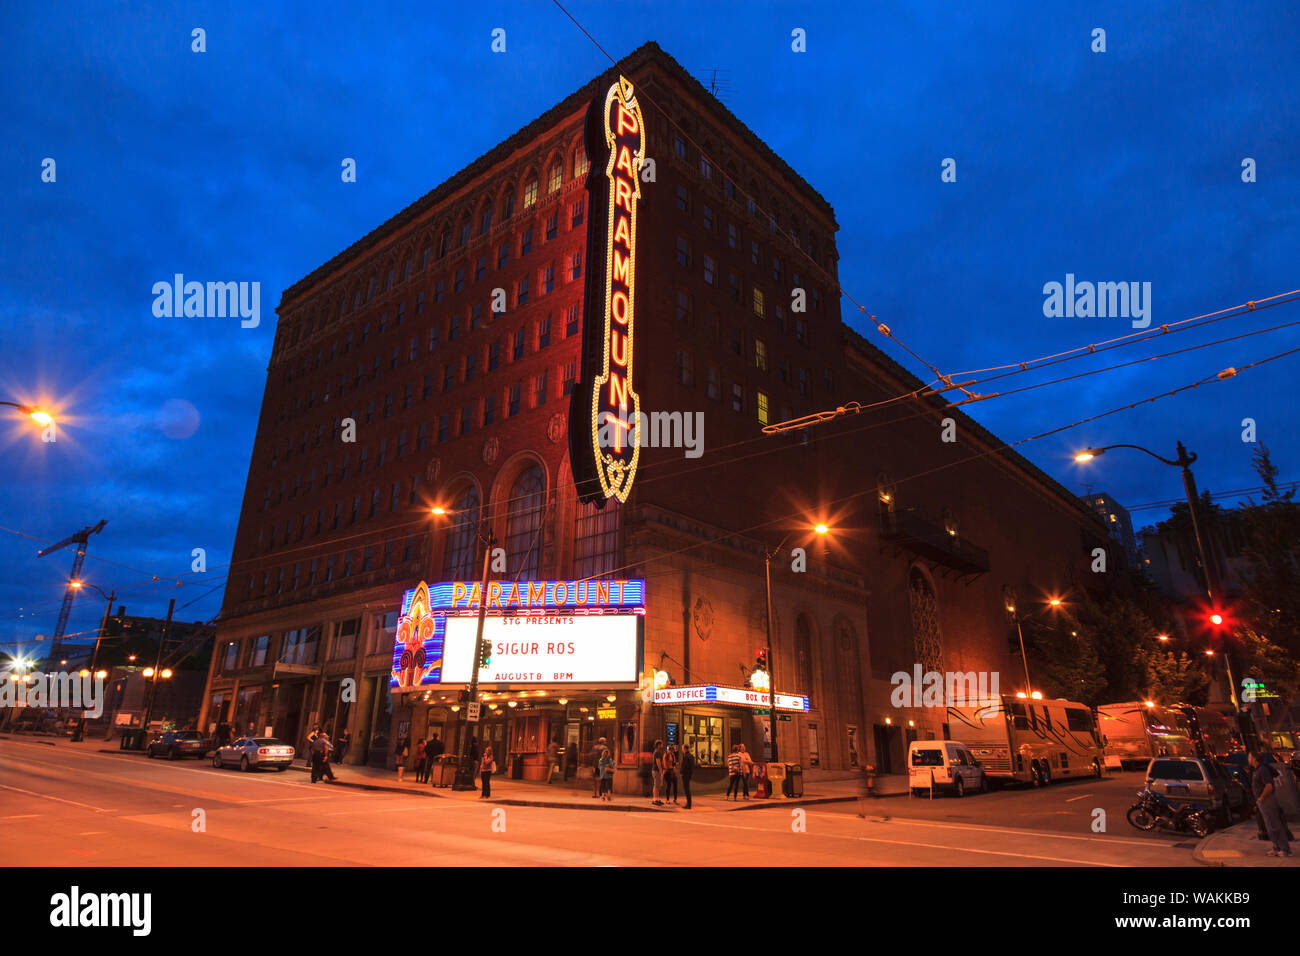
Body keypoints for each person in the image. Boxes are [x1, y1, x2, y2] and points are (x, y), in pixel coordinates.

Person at [1250, 750, 1292, 857]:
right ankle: (1276, 847)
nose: (1248, 759)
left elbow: (1269, 786)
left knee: (1274, 825)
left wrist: (1261, 798)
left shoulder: (1262, 770)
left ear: (1254, 758)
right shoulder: (1257, 770)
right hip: (1263, 801)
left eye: (1249, 757)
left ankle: (1284, 849)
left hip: (1267, 800)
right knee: (1269, 825)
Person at [679, 743, 695, 809]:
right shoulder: (691, 756)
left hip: (685, 775)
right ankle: (689, 803)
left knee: (686, 789)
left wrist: (681, 772)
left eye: (682, 748)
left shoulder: (686, 756)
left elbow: (685, 766)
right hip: (689, 774)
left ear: (685, 748)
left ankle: (688, 804)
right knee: (687, 789)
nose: (682, 750)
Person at [651, 739, 665, 806]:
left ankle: (657, 799)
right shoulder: (657, 752)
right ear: (658, 745)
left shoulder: (657, 752)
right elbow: (658, 762)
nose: (662, 745)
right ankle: (655, 799)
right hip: (656, 770)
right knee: (656, 785)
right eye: (661, 744)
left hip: (656, 770)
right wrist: (661, 770)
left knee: (657, 785)